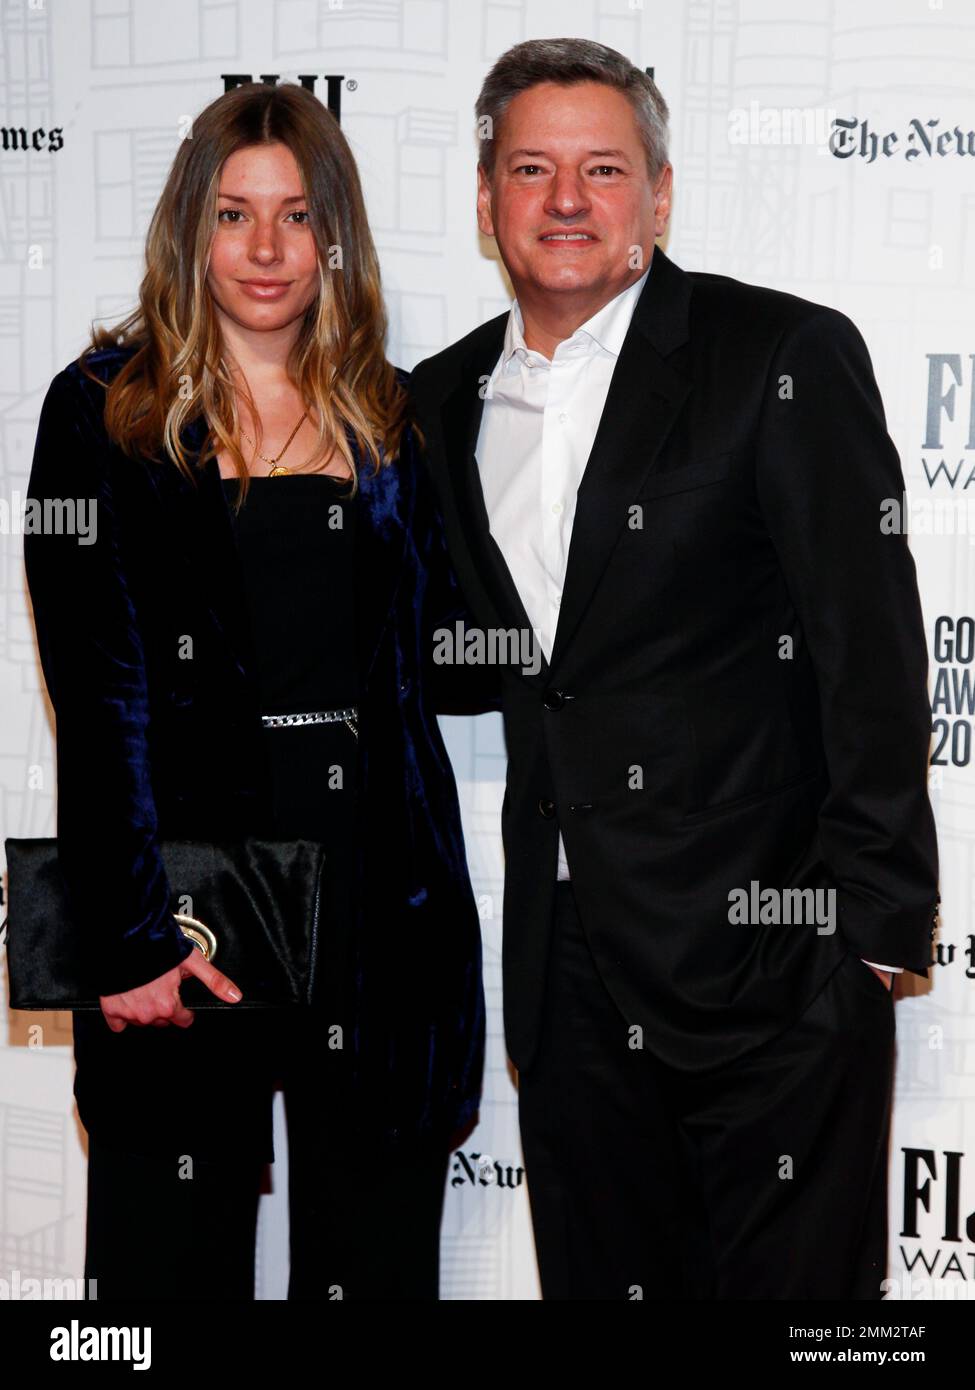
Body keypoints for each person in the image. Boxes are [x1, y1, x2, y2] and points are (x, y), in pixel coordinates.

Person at [410, 37, 940, 1299]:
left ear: (660, 194)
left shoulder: (777, 355)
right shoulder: (437, 401)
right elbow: (471, 663)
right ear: (486, 200)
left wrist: (866, 937)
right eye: (532, 168)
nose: (568, 200)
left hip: (777, 959)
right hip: (569, 975)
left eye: (604, 168)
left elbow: (871, 654)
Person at [24, 81, 485, 1301]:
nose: (267, 249)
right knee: (161, 1287)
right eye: (235, 215)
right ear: (193, 230)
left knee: (375, 1280)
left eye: (294, 216)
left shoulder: (393, 413)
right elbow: (100, 690)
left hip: (382, 916)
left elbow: (446, 659)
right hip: (187, 919)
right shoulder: (98, 413)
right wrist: (125, 937)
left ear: (334, 234)